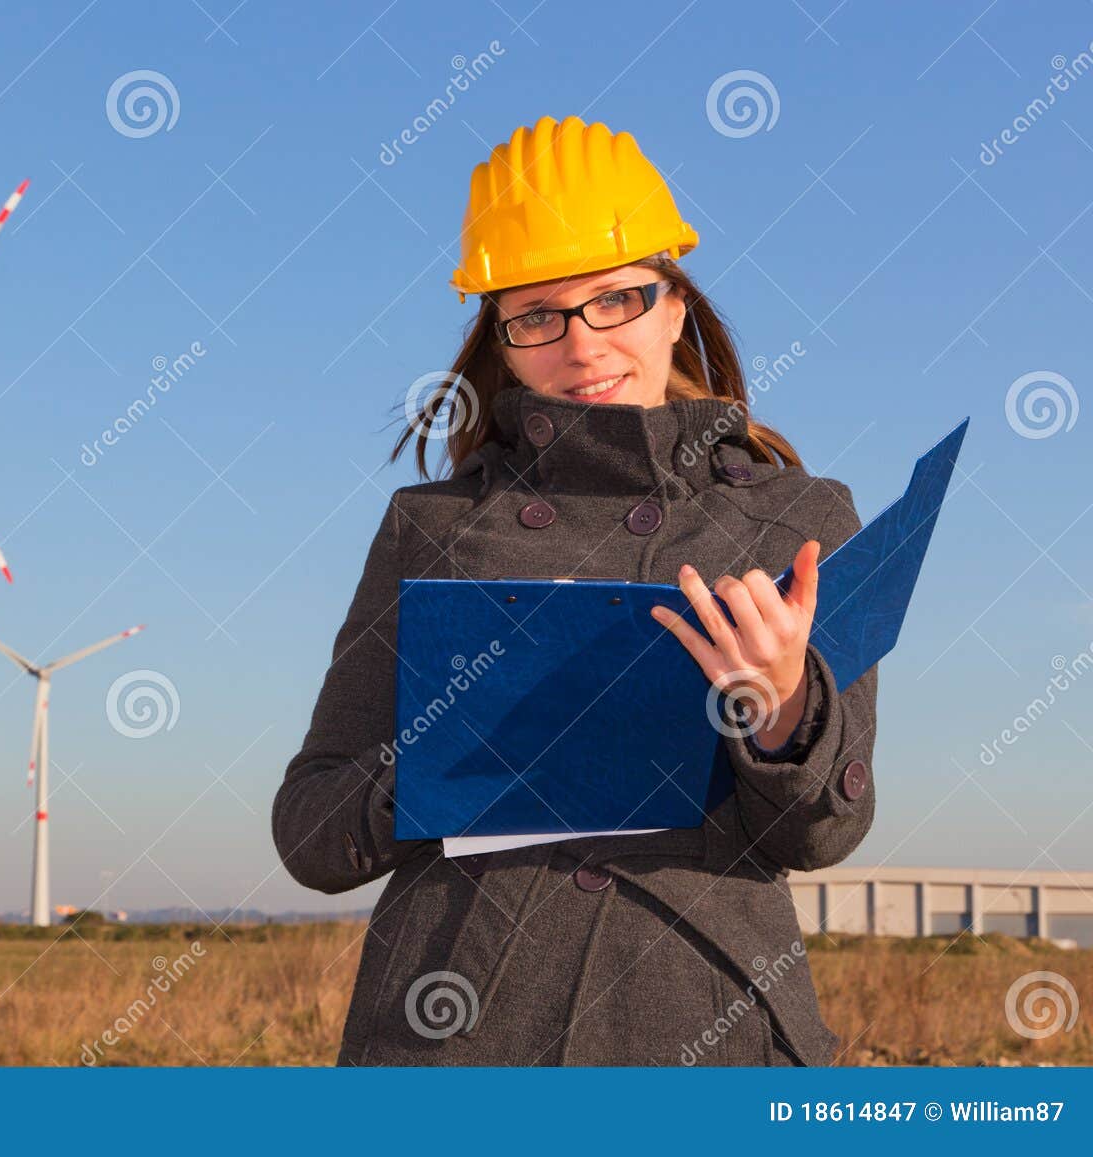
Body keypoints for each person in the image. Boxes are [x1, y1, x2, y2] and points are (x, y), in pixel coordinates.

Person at [271, 115, 876, 1066]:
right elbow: (310, 833)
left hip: (710, 1024)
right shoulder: (432, 527)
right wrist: (452, 765)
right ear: (502, 339)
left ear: (675, 302)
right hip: (460, 1036)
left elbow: (823, 831)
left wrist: (783, 707)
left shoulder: (797, 523)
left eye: (617, 299)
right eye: (539, 316)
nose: (583, 346)